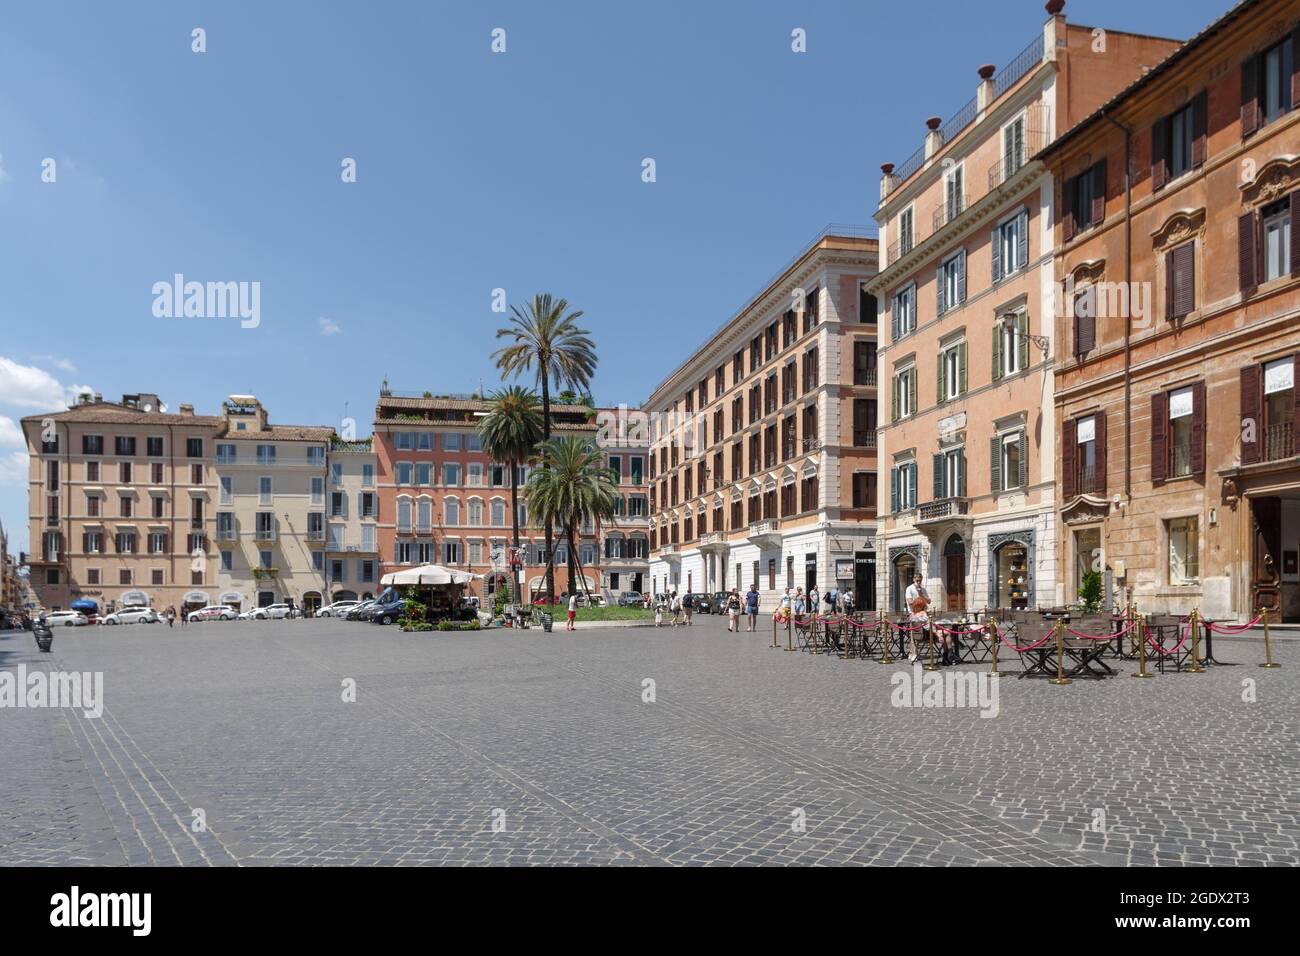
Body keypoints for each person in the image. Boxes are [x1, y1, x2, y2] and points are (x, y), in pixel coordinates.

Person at [904, 574, 931, 663]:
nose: (918, 582)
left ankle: (914, 652)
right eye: (917, 581)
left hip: (922, 613)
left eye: (920, 580)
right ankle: (914, 653)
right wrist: (920, 601)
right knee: (915, 633)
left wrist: (921, 594)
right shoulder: (909, 588)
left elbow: (929, 601)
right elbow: (910, 602)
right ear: (913, 580)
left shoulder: (923, 589)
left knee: (926, 631)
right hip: (913, 613)